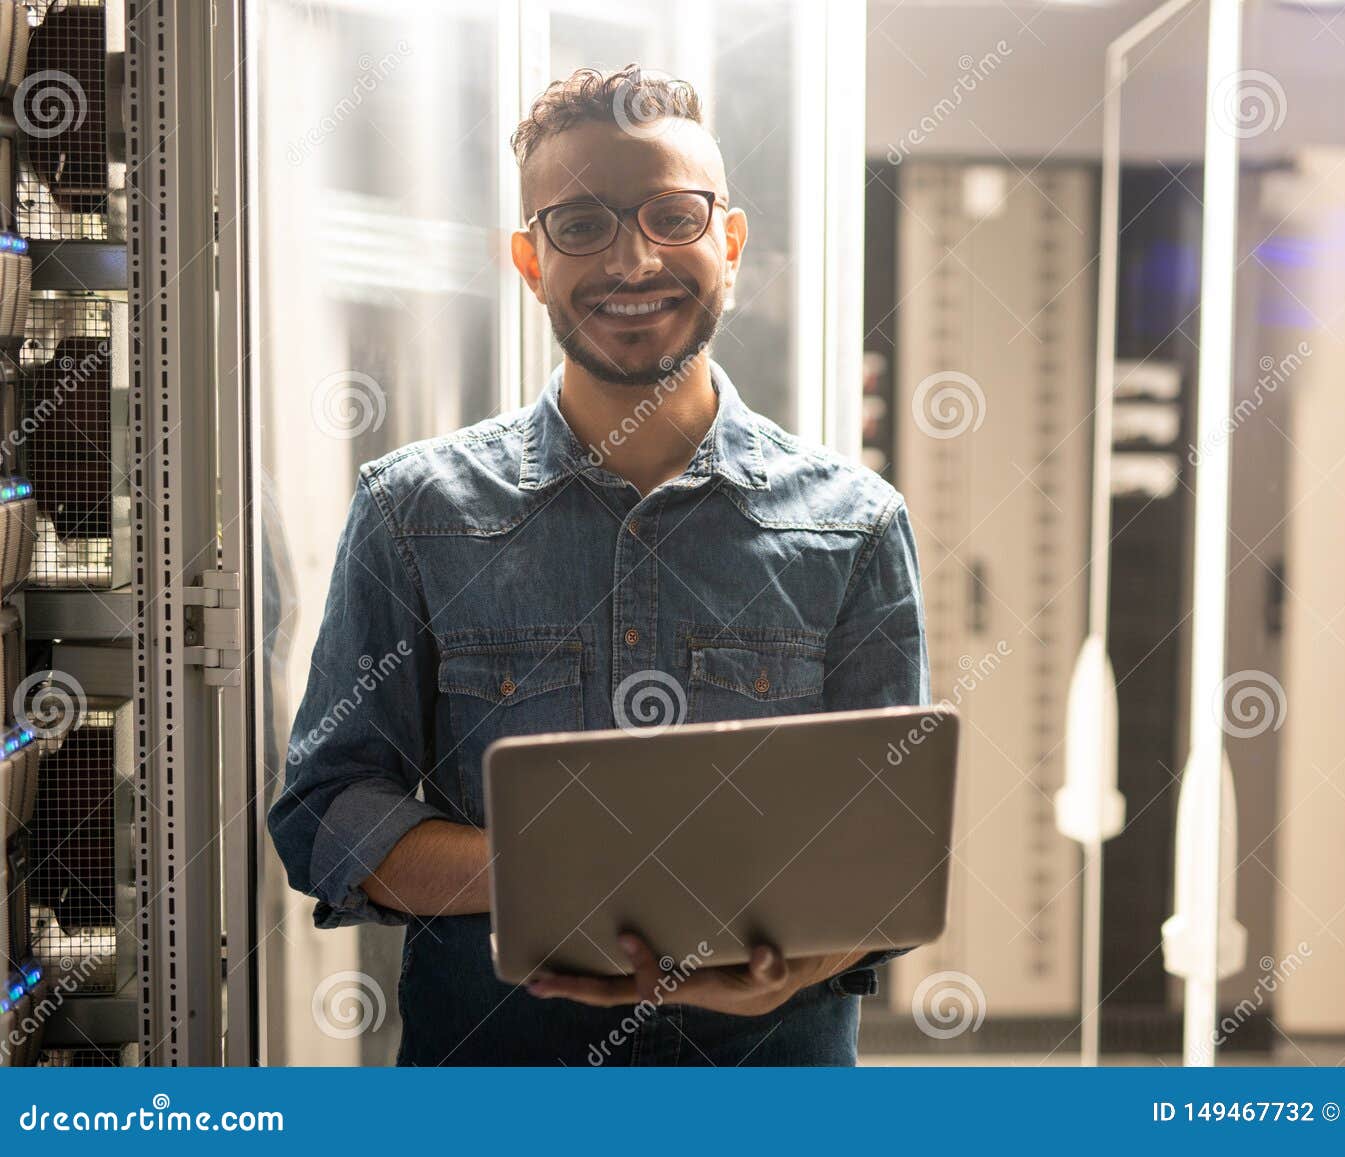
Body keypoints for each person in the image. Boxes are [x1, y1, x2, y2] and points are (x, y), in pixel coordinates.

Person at [267, 64, 930, 1066]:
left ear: (730, 244)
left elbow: (888, 846)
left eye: (672, 214)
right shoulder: (414, 512)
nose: (633, 258)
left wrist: (797, 963)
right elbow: (328, 812)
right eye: (581, 225)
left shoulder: (856, 526)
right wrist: (561, 872)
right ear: (530, 260)